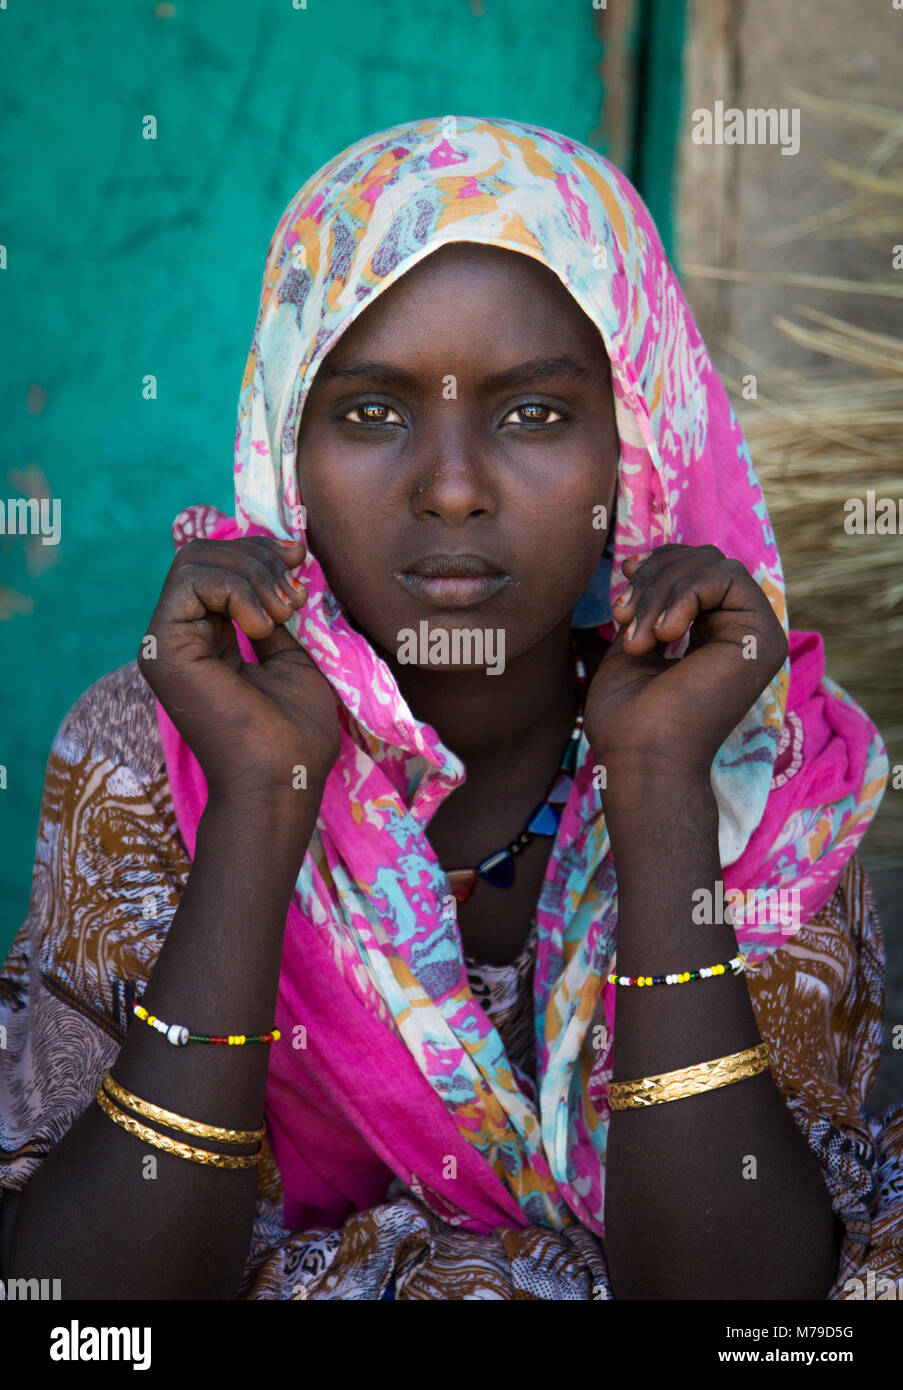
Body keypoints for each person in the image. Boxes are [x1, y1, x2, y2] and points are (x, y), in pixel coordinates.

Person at [1, 115, 900, 1302]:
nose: (455, 487)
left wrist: (663, 786)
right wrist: (263, 811)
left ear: (632, 446)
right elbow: (83, 1323)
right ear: (285, 447)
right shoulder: (152, 745)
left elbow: (750, 1319)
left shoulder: (755, 760)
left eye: (533, 413)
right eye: (373, 412)